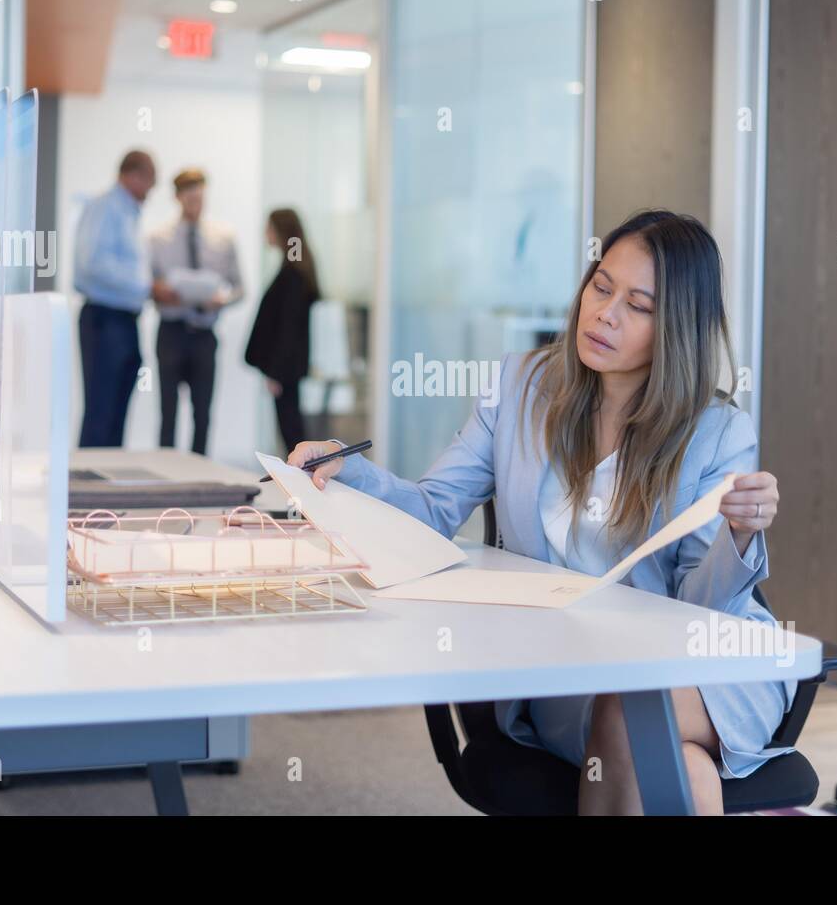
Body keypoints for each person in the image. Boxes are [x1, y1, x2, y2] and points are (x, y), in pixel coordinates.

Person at [287, 210, 786, 816]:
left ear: (676, 327)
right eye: (601, 286)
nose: (605, 313)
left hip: (707, 668)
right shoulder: (521, 386)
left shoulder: (716, 431)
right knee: (680, 771)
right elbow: (435, 508)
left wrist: (739, 535)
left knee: (635, 706)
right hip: (568, 675)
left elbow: (698, 613)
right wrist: (350, 472)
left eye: (640, 305)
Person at [149, 168, 243, 455]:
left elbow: (239, 288)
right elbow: (148, 285)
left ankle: (200, 477)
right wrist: (160, 291)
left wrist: (220, 300)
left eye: (200, 198)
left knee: (202, 414)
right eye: (190, 198)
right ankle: (166, 476)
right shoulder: (157, 237)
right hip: (171, 333)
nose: (196, 204)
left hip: (204, 335)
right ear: (177, 198)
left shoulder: (223, 236)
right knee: (168, 413)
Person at [73, 149, 156, 447]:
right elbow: (91, 263)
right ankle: (88, 490)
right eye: (150, 180)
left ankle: (108, 488)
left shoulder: (129, 213)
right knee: (101, 409)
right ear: (132, 176)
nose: (152, 188)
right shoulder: (105, 207)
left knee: (117, 413)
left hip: (124, 321)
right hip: (104, 320)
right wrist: (147, 287)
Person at [245, 208, 320, 454]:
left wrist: (276, 372)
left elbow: (288, 329)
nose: (265, 233)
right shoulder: (295, 269)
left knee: (291, 431)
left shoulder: (293, 274)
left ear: (281, 232)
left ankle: (305, 480)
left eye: (269, 228)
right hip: (288, 368)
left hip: (285, 369)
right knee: (291, 427)